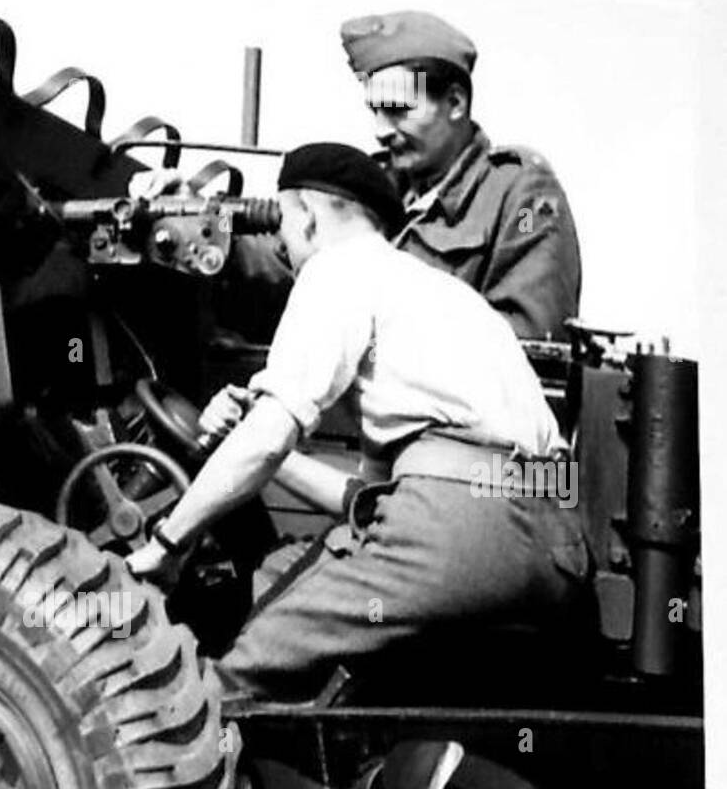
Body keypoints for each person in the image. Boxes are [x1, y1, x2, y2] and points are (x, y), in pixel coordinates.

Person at [124, 143, 591, 699]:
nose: (282, 244)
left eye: (284, 225)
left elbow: (273, 434)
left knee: (226, 682)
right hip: (556, 548)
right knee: (278, 576)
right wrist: (252, 445)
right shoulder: (452, 299)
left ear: (310, 217)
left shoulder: (336, 272)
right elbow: (369, 495)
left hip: (450, 539)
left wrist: (167, 545)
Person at [341, 9, 581, 340]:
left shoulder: (522, 196)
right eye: (375, 111)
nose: (381, 130)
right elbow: (290, 256)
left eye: (397, 109)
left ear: (455, 102)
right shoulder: (375, 187)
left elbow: (532, 337)